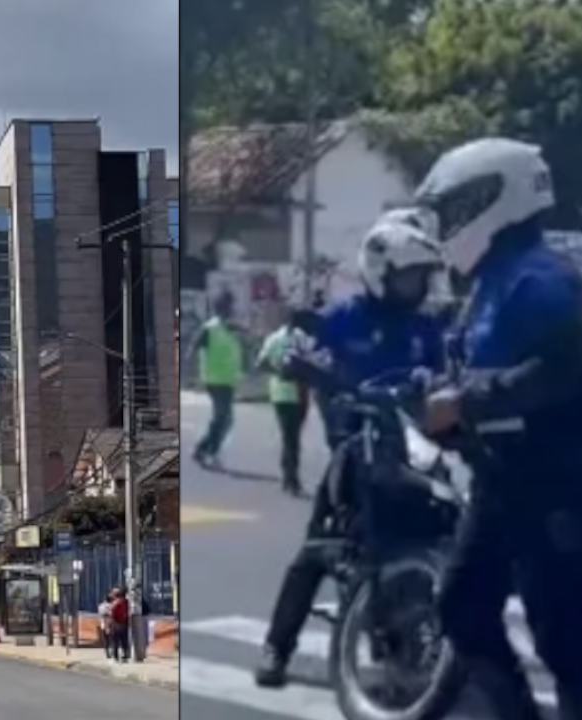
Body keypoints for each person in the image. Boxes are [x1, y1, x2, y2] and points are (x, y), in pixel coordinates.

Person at [415, 137, 582, 720]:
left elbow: (557, 373)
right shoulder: (487, 284)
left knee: (563, 635)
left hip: (560, 482)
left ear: (497, 201)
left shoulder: (545, 279)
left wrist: (465, 401)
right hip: (501, 477)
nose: (451, 223)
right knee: (462, 605)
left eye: (460, 206)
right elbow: (473, 375)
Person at [254, 213, 449, 687]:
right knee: (315, 553)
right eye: (408, 275)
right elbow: (297, 348)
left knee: (450, 527)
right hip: (355, 447)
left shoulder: (426, 328)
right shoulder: (345, 316)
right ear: (380, 271)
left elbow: (445, 377)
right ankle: (276, 648)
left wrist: (439, 385)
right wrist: (291, 360)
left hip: (413, 447)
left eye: (421, 276)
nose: (416, 285)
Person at [256, 308, 312, 494]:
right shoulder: (302, 338)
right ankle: (292, 479)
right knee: (293, 438)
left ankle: (288, 476)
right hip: (297, 392)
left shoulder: (273, 338)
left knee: (289, 437)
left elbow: (261, 363)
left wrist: (277, 372)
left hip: (280, 393)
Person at [189, 292, 244, 468]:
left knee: (224, 419)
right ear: (222, 308)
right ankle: (209, 452)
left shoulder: (229, 328)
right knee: (223, 417)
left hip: (227, 381)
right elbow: (192, 349)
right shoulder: (209, 328)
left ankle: (203, 450)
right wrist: (191, 374)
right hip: (215, 380)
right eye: (229, 306)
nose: (232, 309)